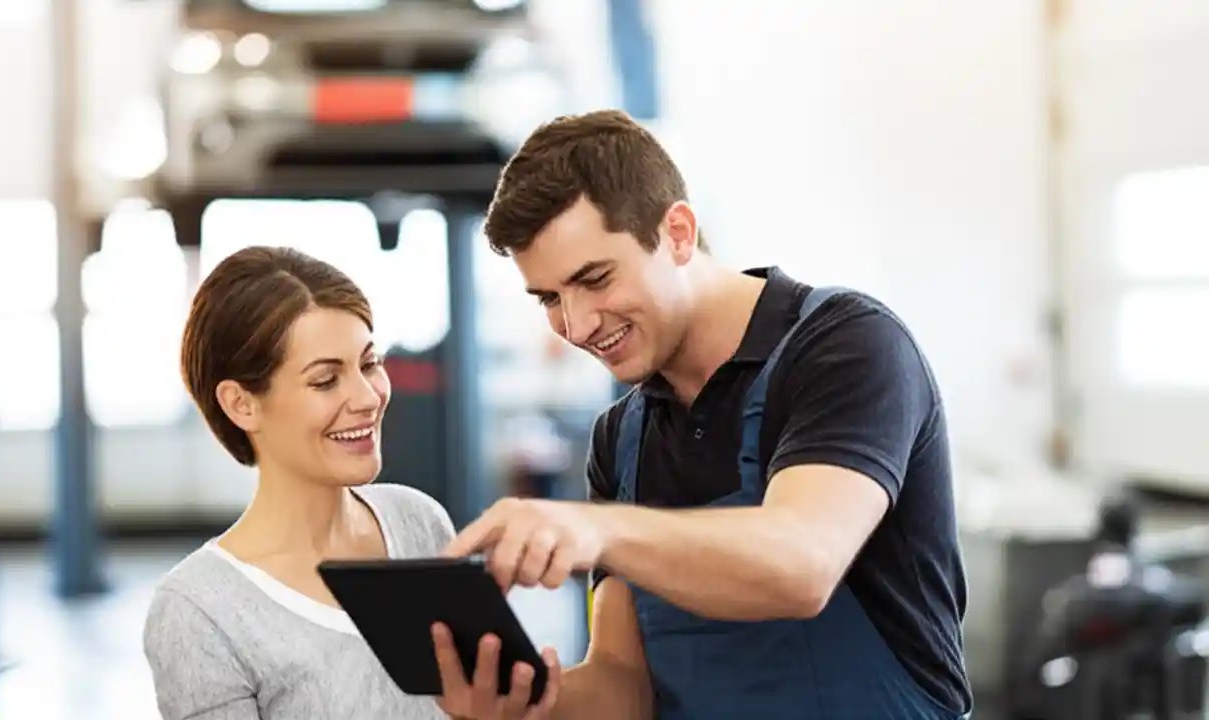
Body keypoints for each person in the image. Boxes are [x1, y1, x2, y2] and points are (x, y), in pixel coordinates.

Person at [431, 110, 973, 719]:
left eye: (596, 279)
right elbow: (623, 686)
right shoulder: (621, 440)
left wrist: (599, 529)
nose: (576, 326)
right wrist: (518, 701)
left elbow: (801, 565)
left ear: (678, 233)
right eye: (550, 299)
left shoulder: (847, 348)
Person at [143, 246, 457, 719]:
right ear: (241, 404)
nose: (368, 397)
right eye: (326, 380)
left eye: (369, 363)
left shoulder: (419, 522)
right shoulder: (197, 609)